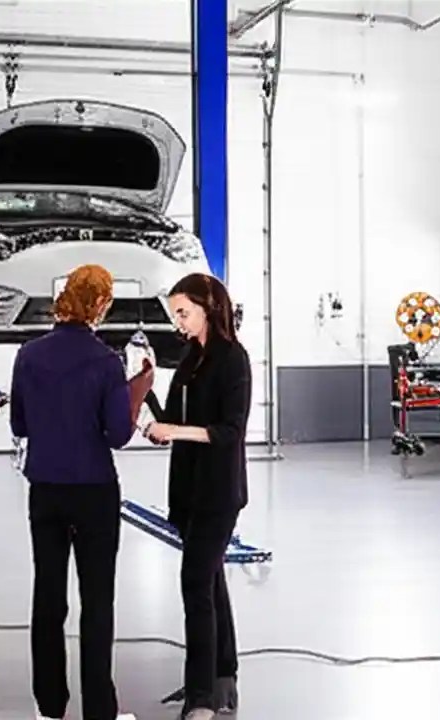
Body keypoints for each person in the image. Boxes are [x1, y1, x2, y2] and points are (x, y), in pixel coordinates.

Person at [10, 264, 154, 720]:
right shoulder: (106, 362)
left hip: (45, 489)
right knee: (97, 601)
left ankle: (50, 706)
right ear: (102, 305)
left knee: (48, 596)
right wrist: (138, 389)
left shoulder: (28, 355)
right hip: (93, 491)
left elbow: (19, 424)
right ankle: (99, 710)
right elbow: (117, 435)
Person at [144, 273, 252, 720]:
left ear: (208, 308)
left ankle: (201, 696)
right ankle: (223, 678)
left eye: (183, 313)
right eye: (175, 315)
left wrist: (175, 430)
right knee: (210, 582)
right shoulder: (191, 360)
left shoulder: (233, 360)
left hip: (218, 492)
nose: (178, 322)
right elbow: (172, 418)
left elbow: (230, 431)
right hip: (188, 490)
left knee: (195, 585)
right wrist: (144, 393)